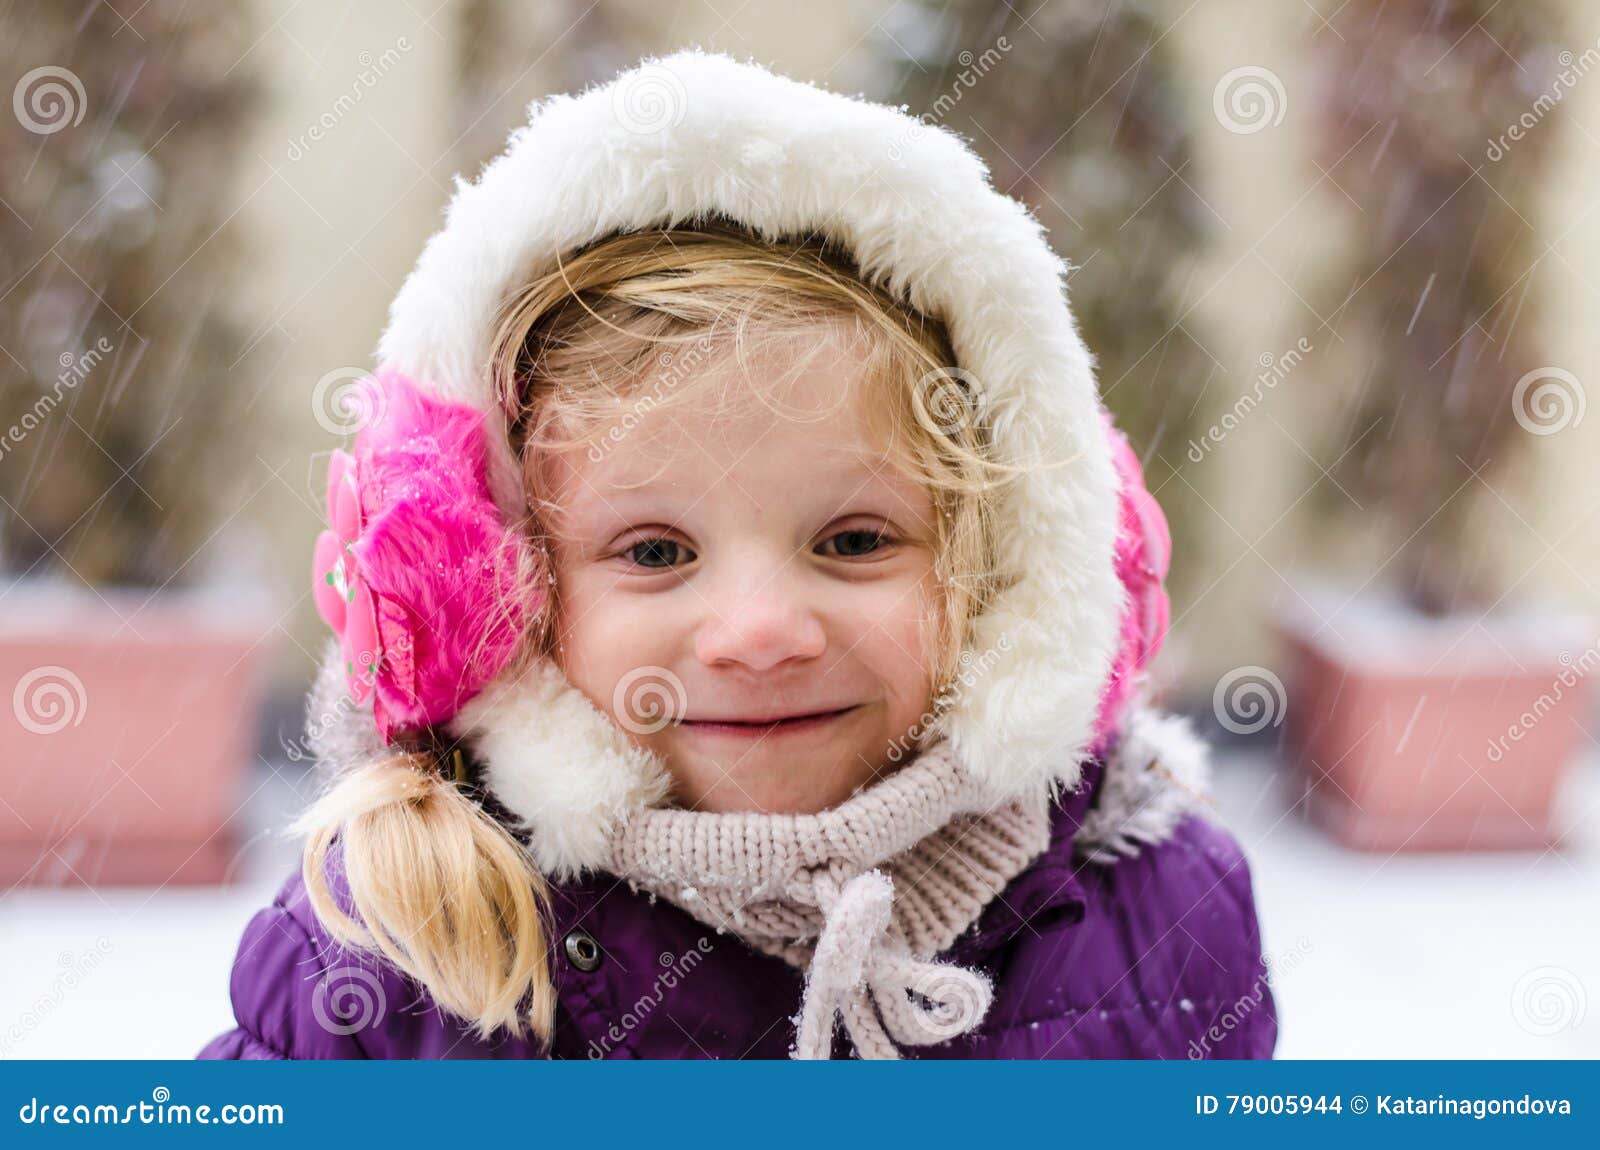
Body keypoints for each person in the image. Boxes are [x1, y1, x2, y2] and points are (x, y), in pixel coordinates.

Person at [197, 50, 1276, 1060]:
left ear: (1004, 572)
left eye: (853, 540)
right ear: (496, 590)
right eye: (656, 549)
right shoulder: (399, 952)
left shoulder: (1162, 913)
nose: (761, 631)